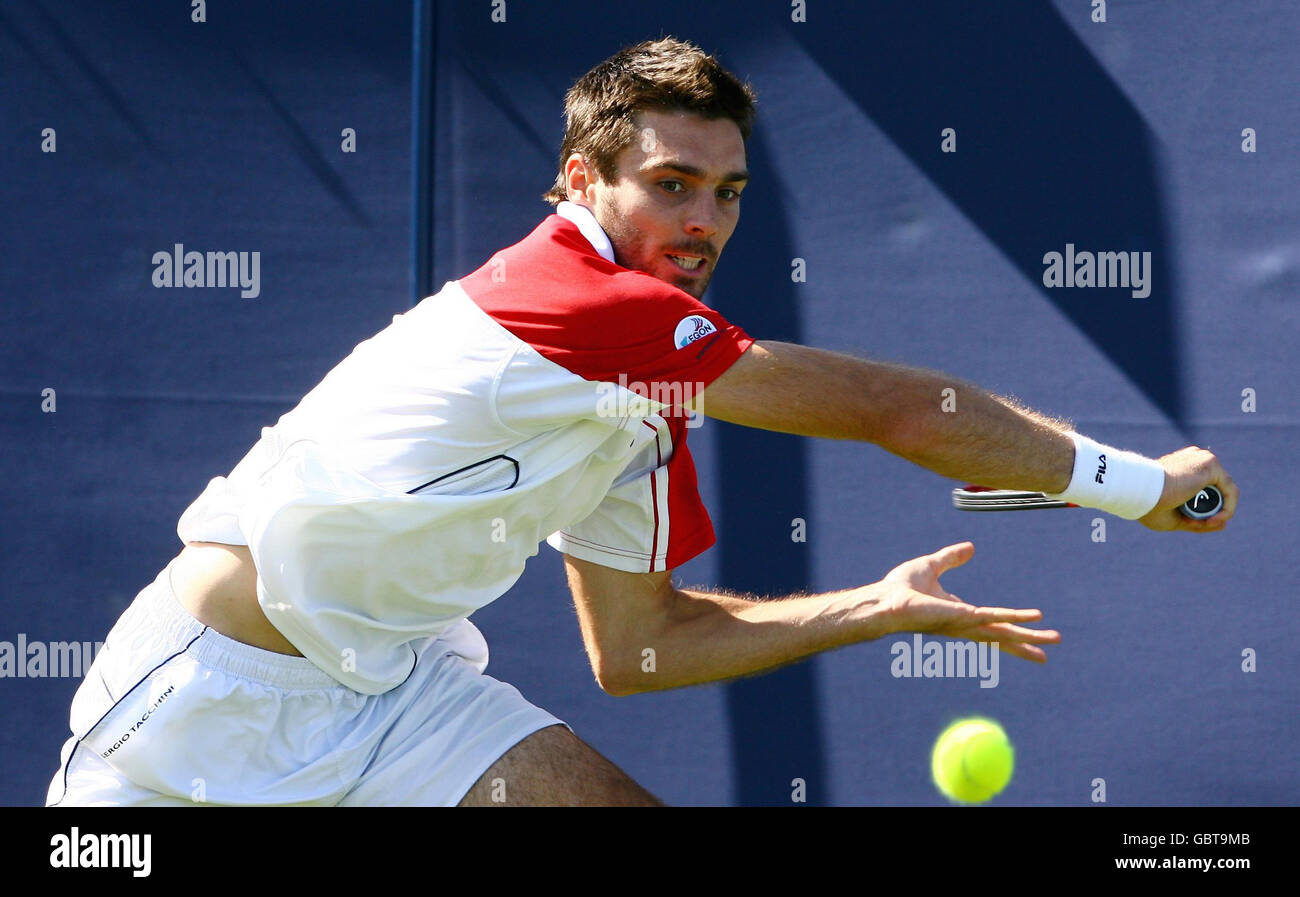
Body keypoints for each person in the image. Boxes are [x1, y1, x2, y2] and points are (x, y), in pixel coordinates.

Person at [46, 37, 1237, 808]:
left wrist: (873, 608)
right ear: (579, 183)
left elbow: (642, 648)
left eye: (725, 192)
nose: (704, 219)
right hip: (201, 703)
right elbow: (889, 408)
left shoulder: (641, 411)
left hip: (395, 696)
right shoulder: (571, 300)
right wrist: (1140, 486)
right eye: (669, 184)